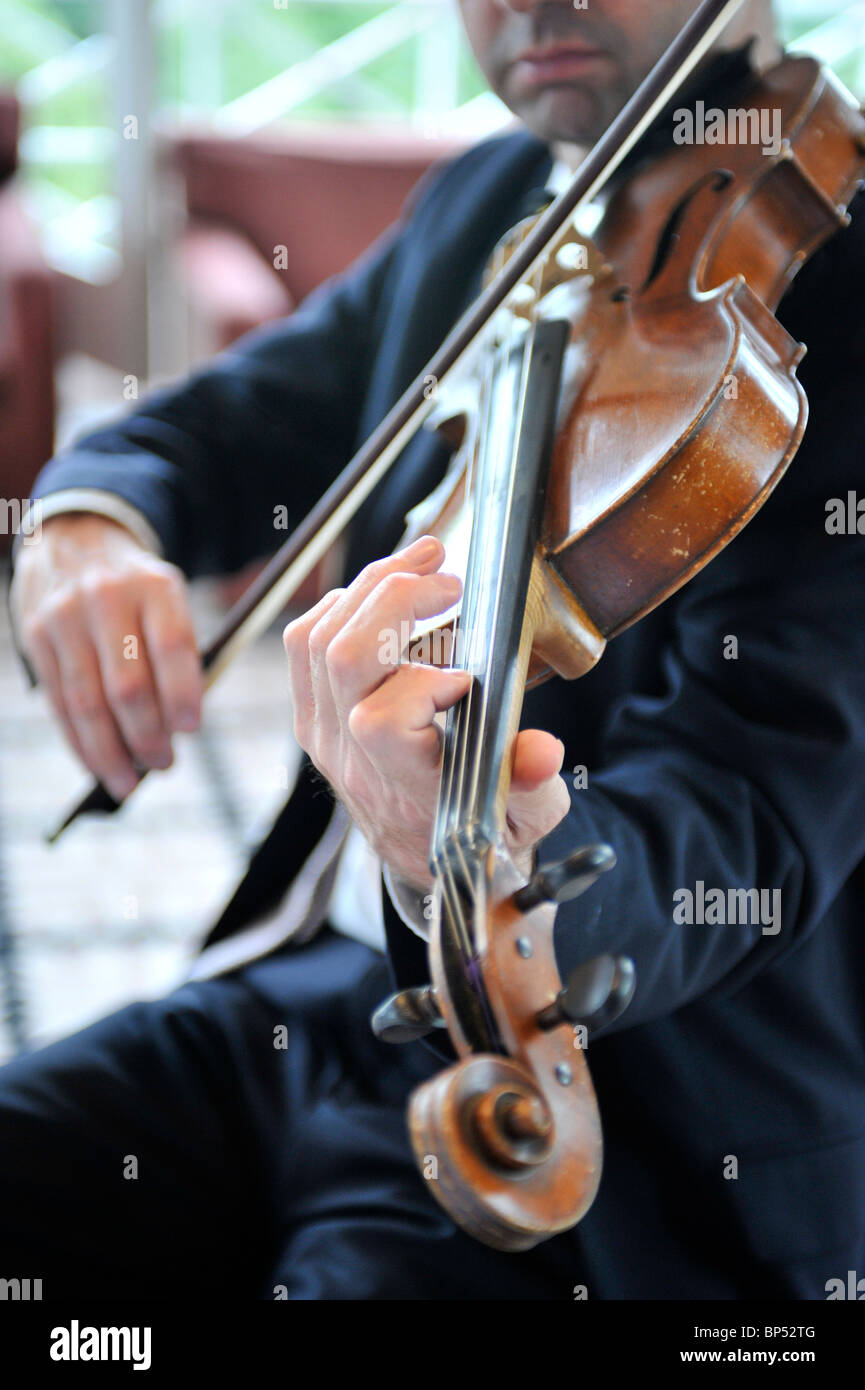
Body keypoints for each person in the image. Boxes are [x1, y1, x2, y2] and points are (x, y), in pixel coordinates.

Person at [4, 0, 865, 1300]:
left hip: (612, 1135)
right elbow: (237, 420)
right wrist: (87, 515)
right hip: (320, 997)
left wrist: (499, 859)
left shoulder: (834, 288)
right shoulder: (495, 197)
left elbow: (746, 820)